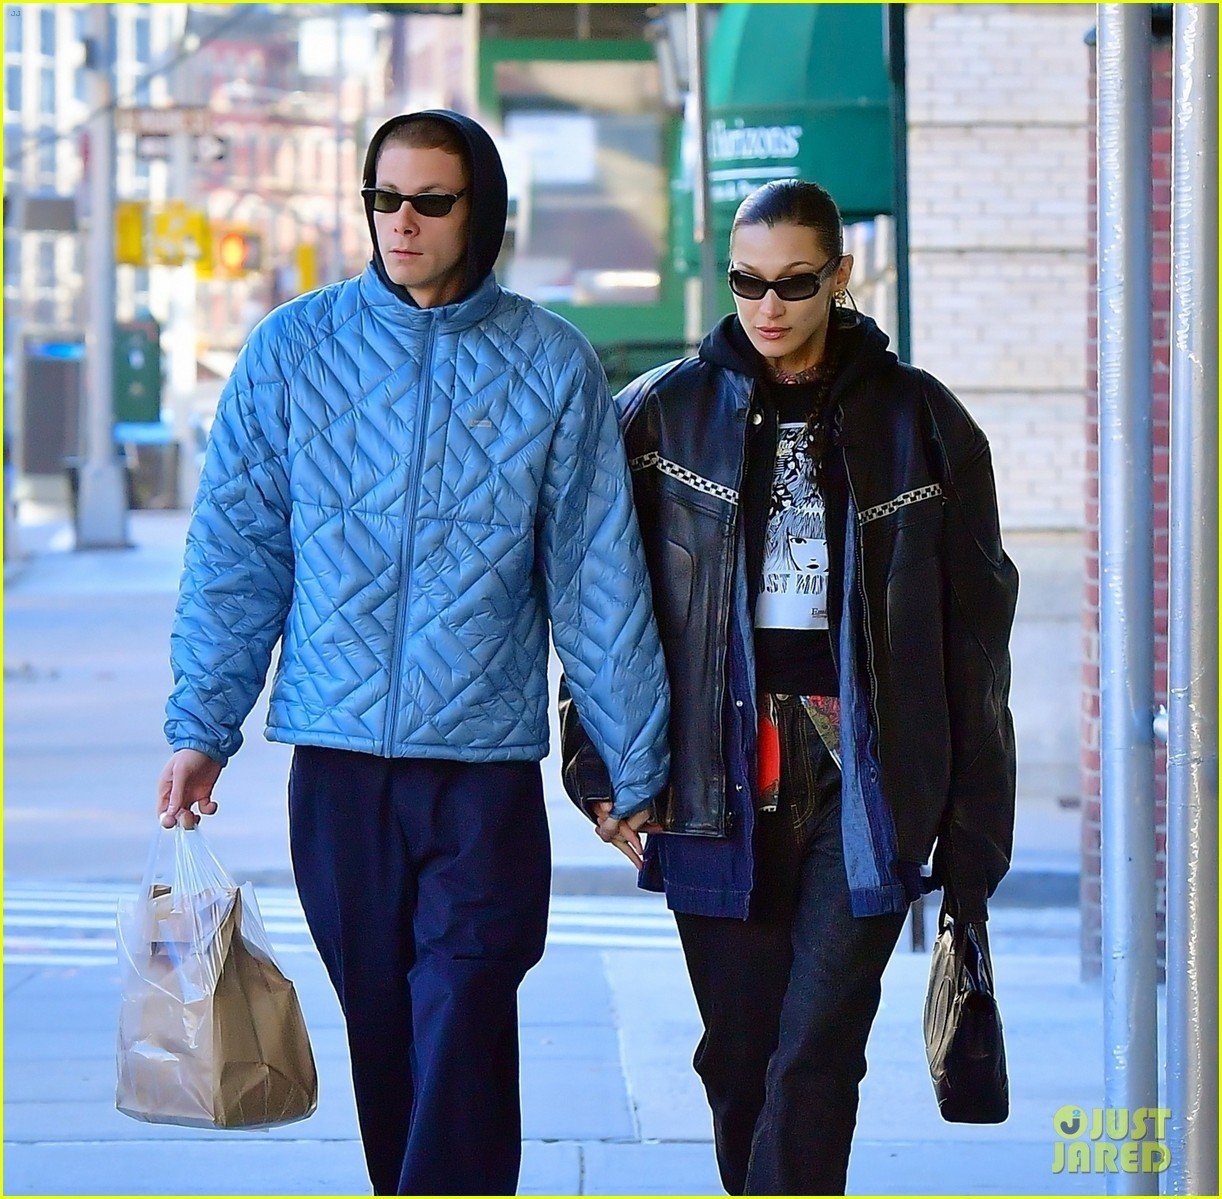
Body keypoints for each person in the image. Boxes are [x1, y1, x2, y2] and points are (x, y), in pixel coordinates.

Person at [157, 109, 670, 1197]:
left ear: (478, 212)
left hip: (480, 771)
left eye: (429, 201)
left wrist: (635, 764)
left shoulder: (553, 364)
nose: (401, 222)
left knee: (470, 1000)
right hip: (338, 768)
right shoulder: (293, 350)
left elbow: (597, 579)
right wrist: (203, 725)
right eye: (383, 199)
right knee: (385, 1025)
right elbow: (237, 554)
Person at [561, 179, 1019, 1195]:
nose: (765, 306)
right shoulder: (660, 415)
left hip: (864, 770)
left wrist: (973, 831)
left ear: (838, 277)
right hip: (711, 771)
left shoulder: (922, 422)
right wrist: (596, 764)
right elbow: (598, 603)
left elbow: (974, 642)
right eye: (746, 281)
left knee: (816, 1051)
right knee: (737, 1052)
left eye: (793, 283)